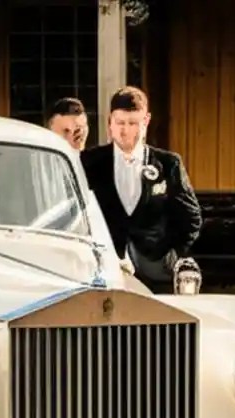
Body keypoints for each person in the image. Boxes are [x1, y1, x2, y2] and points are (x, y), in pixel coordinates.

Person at [80, 86, 201, 286]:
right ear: (110, 122)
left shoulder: (168, 164)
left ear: (146, 121)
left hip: (157, 273)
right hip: (105, 274)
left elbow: (191, 218)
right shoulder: (88, 162)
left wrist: (170, 255)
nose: (125, 130)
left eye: (133, 123)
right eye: (120, 122)